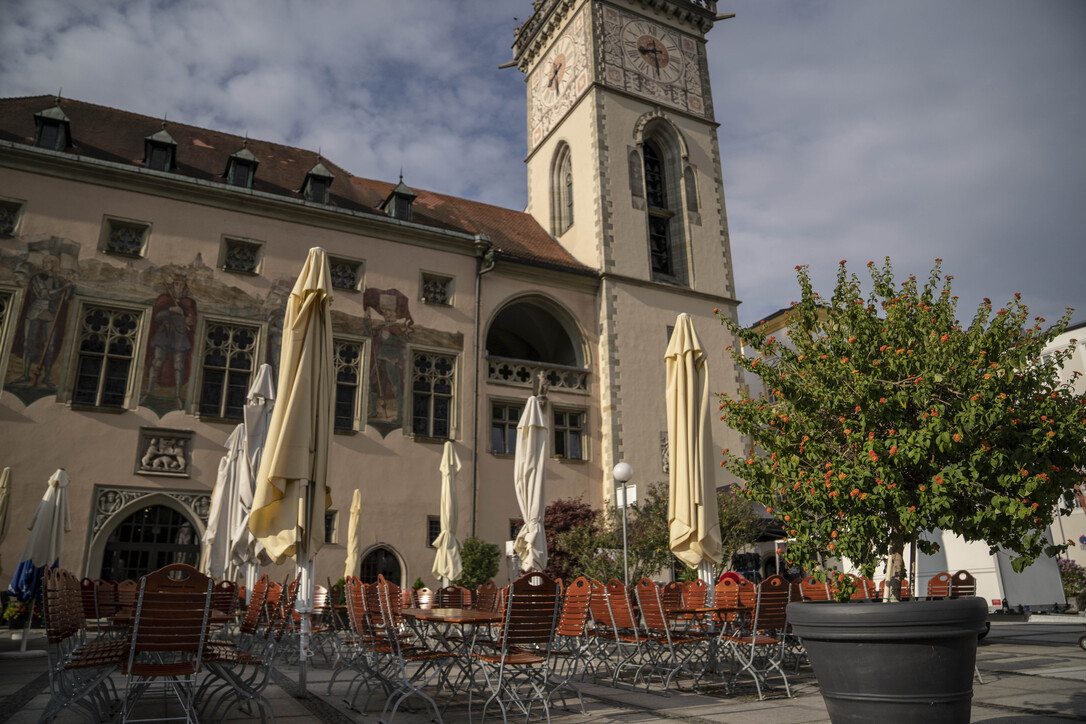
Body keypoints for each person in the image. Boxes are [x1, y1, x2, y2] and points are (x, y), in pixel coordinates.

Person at [13, 255, 74, 387]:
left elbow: (65, 299)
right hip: (36, 311)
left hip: (51, 313)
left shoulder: (60, 280)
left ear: (55, 265)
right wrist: (64, 288)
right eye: (45, 262)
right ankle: (25, 374)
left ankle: (46, 377)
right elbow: (43, 294)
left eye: (49, 262)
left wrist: (69, 287)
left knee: (50, 347)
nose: (46, 264)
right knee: (29, 343)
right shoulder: (37, 278)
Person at [141, 272, 197, 408]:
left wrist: (185, 315)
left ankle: (177, 396)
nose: (179, 287)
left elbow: (192, 321)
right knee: (157, 361)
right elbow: (156, 316)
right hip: (164, 334)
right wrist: (170, 309)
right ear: (173, 286)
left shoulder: (188, 302)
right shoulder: (164, 299)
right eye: (177, 284)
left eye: (182, 285)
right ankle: (148, 392)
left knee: (179, 365)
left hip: (180, 335)